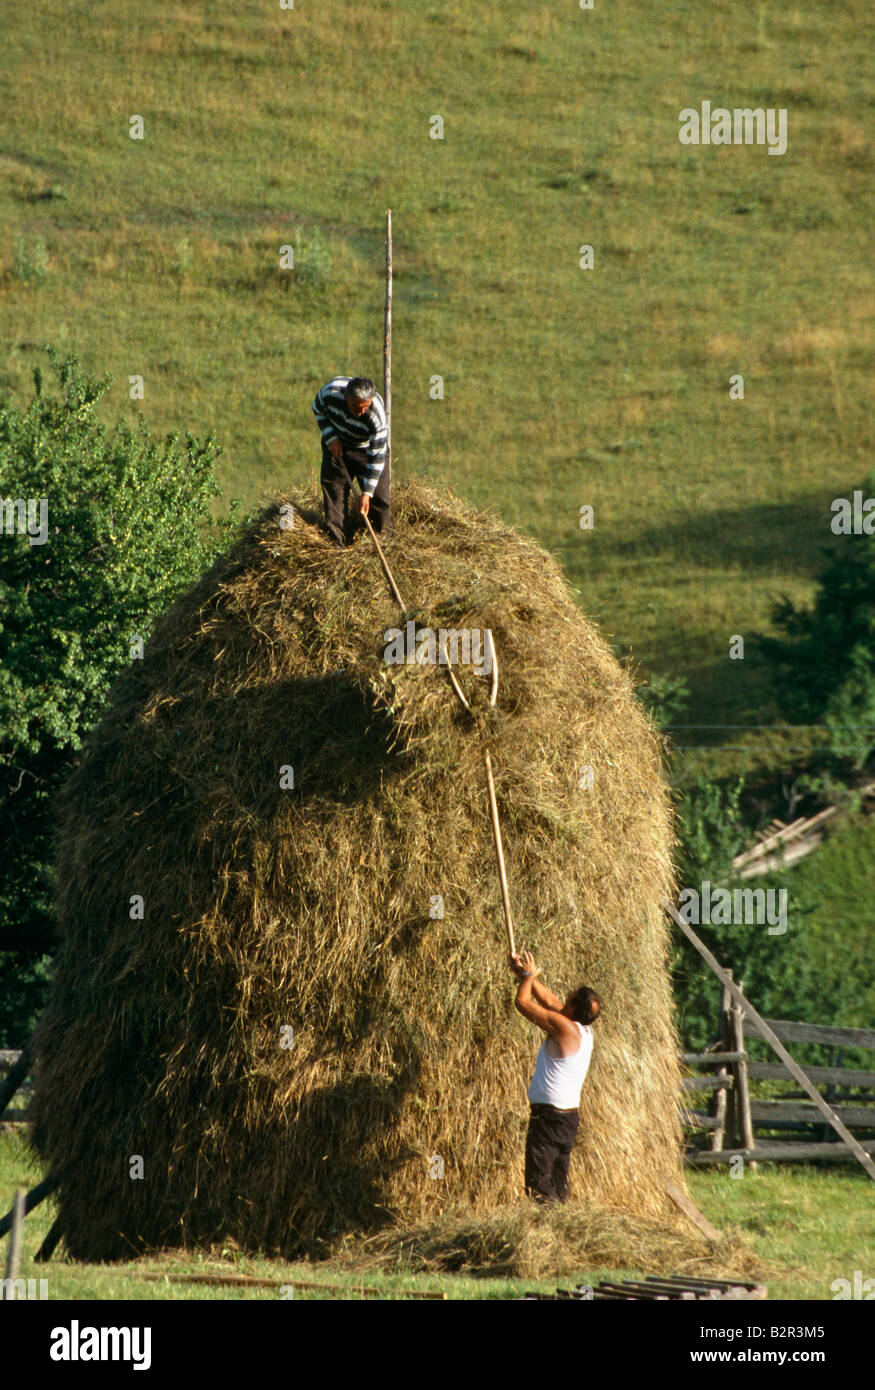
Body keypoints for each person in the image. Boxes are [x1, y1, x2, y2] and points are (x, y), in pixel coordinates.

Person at [509, 949, 601, 1203]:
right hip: (567, 1119)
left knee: (539, 1184)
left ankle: (545, 1235)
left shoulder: (565, 1029)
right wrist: (524, 975)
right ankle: (562, 1228)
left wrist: (529, 975)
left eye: (568, 999)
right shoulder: (582, 1030)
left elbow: (523, 1004)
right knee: (558, 1184)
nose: (563, 1000)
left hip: (549, 1118)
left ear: (572, 1007)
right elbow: (549, 1001)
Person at [312, 375, 389, 547]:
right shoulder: (331, 392)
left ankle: (382, 543)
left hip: (367, 450)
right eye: (356, 407)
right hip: (338, 445)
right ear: (345, 397)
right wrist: (330, 436)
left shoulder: (376, 417)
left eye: (365, 408)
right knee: (334, 494)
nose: (361, 412)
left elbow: (377, 455)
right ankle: (336, 545)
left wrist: (367, 492)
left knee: (379, 499)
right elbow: (317, 407)